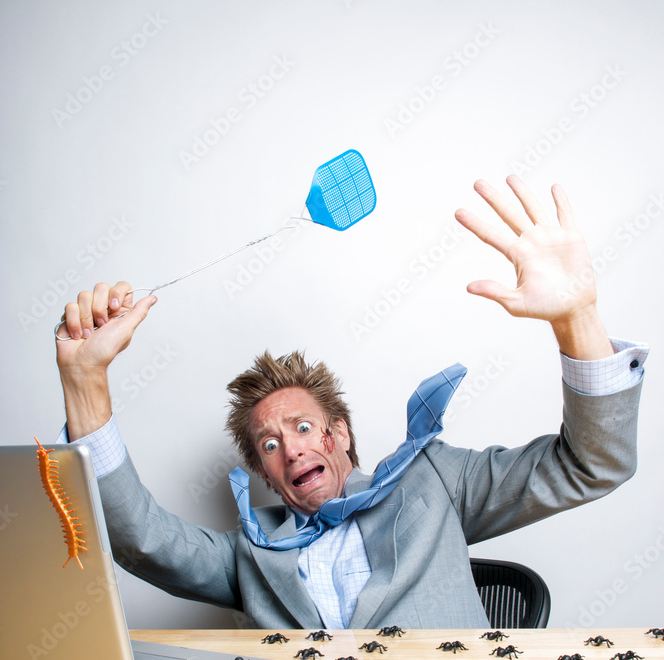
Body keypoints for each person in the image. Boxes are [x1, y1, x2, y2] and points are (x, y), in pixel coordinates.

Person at [55, 176, 647, 630]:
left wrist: (578, 318)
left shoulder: (436, 484)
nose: (288, 449)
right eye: (269, 444)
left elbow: (590, 466)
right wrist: (86, 383)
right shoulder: (251, 552)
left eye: (303, 428)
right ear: (264, 473)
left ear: (338, 435)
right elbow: (142, 540)